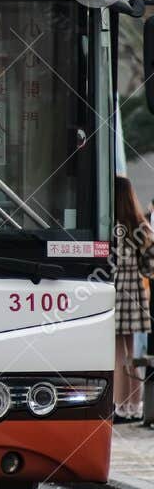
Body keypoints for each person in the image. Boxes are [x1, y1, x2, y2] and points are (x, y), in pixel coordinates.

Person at [112, 176, 152, 422]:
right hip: (135, 295)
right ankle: (134, 406)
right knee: (131, 354)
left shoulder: (109, 227)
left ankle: (119, 406)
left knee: (116, 354)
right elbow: (149, 269)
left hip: (115, 293)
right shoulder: (141, 227)